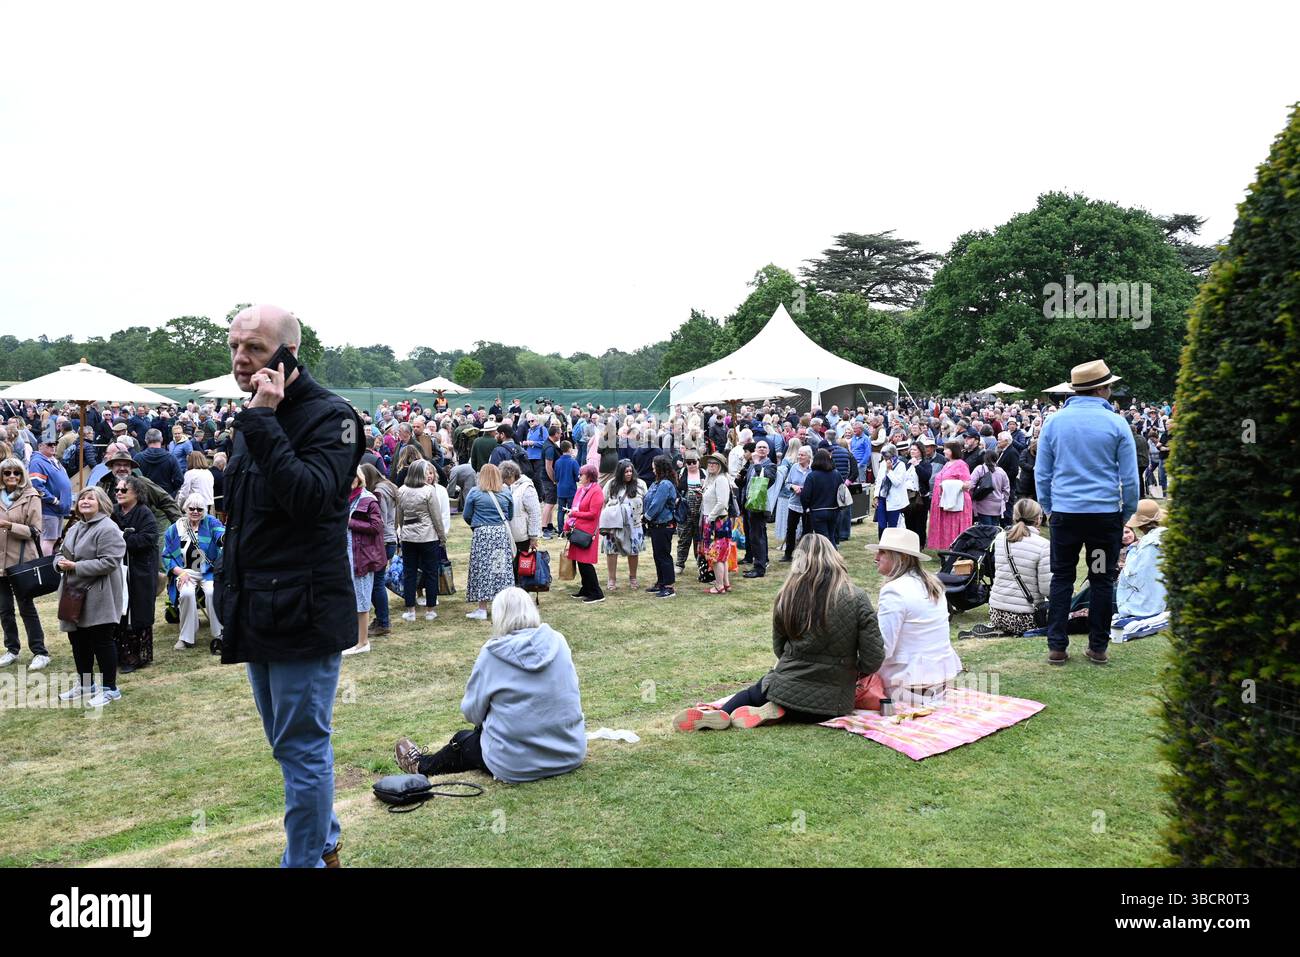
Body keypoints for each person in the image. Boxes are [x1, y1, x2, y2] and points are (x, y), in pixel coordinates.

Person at [220, 304, 364, 868]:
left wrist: (263, 421)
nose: (240, 359)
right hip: (256, 606)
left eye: (253, 348)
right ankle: (324, 842)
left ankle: (301, 862)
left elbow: (309, 499)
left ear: (288, 353)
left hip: (304, 611)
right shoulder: (252, 413)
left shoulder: (334, 417)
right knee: (286, 744)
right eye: (234, 346)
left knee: (304, 747)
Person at [672, 534, 884, 730]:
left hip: (784, 689)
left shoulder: (787, 595)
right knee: (778, 694)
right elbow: (873, 658)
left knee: (753, 692)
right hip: (832, 703)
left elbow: (779, 648)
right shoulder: (856, 597)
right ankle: (778, 712)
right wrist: (851, 668)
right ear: (834, 557)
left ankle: (725, 712)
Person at [394, 588, 586, 781]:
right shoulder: (558, 641)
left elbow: (472, 713)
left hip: (516, 764)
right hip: (569, 751)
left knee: (463, 740)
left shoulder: (493, 653)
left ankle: (421, 765)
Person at [1037, 359, 1140, 666]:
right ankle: (1098, 646)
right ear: (1102, 389)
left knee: (1062, 578)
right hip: (1103, 515)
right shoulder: (1117, 423)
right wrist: (1126, 512)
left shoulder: (1054, 422)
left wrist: (1049, 509)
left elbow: (1043, 474)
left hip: (1066, 514)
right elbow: (1130, 478)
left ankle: (1057, 646)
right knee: (1100, 579)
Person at [867, 527, 963, 707]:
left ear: (901, 558)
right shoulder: (931, 584)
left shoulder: (894, 591)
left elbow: (882, 649)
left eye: (883, 552)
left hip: (907, 687)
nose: (876, 557)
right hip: (938, 682)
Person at [54, 487, 127, 708]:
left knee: (101, 640)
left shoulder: (108, 528)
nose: (85, 501)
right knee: (78, 640)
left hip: (99, 593)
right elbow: (60, 553)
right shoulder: (75, 527)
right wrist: (58, 563)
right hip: (73, 594)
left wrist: (76, 566)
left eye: (91, 498)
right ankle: (86, 684)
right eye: (82, 498)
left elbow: (110, 561)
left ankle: (110, 689)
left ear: (102, 503)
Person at [962, 498, 1052, 639]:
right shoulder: (1044, 545)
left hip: (996, 613)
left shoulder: (1000, 538)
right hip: (1026, 617)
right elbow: (1046, 589)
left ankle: (1000, 628)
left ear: (1015, 516)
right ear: (1038, 519)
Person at [0, 458, 49, 670]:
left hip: (20, 562)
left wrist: (10, 525)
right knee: (4, 609)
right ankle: (12, 649)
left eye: (16, 473)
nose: (12, 476)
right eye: (7, 473)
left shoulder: (31, 496)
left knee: (26, 607)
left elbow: (35, 530)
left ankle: (40, 651)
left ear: (22, 475)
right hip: (0, 562)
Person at [163, 492, 225, 652]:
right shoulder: (174, 529)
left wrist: (226, 537)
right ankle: (186, 638)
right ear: (185, 508)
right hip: (185, 571)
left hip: (208, 571)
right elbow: (167, 556)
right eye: (192, 508)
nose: (195, 511)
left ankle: (220, 635)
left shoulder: (211, 522)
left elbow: (221, 535)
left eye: (199, 509)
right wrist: (181, 573)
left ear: (204, 510)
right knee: (187, 593)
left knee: (212, 592)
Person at [111, 476, 159, 672]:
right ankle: (118, 654)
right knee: (119, 610)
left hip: (140, 571)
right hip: (118, 569)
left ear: (137, 494)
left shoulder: (145, 514)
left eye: (124, 490)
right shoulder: (114, 513)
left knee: (137, 611)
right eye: (117, 490)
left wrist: (123, 537)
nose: (119, 493)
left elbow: (148, 539)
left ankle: (135, 656)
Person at [395, 460, 448, 623]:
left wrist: (401, 532)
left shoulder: (402, 490)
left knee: (410, 572)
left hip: (408, 536)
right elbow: (436, 516)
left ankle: (410, 610)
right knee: (431, 571)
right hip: (428, 536)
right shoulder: (429, 491)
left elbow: (400, 516)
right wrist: (442, 536)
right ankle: (430, 610)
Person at [340, 467, 385, 657]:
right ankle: (354, 640)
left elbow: (376, 526)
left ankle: (363, 641)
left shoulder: (368, 500)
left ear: (359, 480)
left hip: (363, 556)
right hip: (346, 555)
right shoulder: (344, 500)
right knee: (350, 600)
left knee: (362, 600)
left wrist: (350, 522)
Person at [461, 464, 515, 621]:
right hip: (499, 534)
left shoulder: (475, 492)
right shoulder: (506, 492)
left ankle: (482, 608)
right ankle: (503, 607)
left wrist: (477, 523)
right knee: (499, 570)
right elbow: (510, 514)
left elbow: (466, 514)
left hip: (482, 533)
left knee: (482, 570)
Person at [1112, 499, 1168, 624]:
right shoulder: (1162, 536)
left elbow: (1138, 577)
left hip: (1147, 599)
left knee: (1094, 593)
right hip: (1162, 592)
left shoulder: (1147, 545)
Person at [361, 464, 399, 637]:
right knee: (377, 582)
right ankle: (381, 619)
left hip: (383, 541)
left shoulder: (379, 492)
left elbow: (379, 521)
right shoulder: (389, 487)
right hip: (390, 538)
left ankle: (383, 621)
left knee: (376, 583)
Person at [602, 459, 646, 591]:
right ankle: (612, 579)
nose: (628, 474)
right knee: (611, 551)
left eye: (630, 471)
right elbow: (604, 501)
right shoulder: (611, 484)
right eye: (626, 471)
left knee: (634, 551)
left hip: (634, 523)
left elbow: (646, 499)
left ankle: (633, 577)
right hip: (614, 523)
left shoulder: (640, 485)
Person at [563, 464, 605, 603]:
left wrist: (575, 514)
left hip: (587, 532)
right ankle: (586, 588)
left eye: (582, 474)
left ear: (589, 476)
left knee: (586, 563)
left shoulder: (596, 491)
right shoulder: (582, 490)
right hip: (578, 529)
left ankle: (596, 592)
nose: (579, 476)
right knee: (580, 562)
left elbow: (593, 514)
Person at [28, 435, 72, 557]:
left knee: (53, 539)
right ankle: (46, 568)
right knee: (48, 539)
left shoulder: (52, 460)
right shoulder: (37, 462)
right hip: (49, 509)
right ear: (40, 446)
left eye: (54, 444)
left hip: (57, 508)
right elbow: (37, 486)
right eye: (49, 444)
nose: (53, 447)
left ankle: (49, 566)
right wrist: (54, 500)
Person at [739, 440, 778, 579]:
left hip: (760, 507)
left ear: (768, 451)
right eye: (759, 447)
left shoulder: (771, 466)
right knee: (753, 536)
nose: (761, 449)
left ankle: (760, 567)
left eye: (764, 447)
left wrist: (756, 463)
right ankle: (757, 562)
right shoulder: (751, 464)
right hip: (749, 505)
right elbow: (744, 483)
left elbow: (767, 479)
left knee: (758, 536)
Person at [643, 454, 679, 598]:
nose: (652, 468)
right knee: (657, 555)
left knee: (663, 555)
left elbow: (657, 504)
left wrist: (646, 517)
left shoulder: (665, 484)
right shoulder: (657, 483)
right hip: (656, 525)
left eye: (654, 465)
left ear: (659, 467)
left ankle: (669, 586)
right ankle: (661, 582)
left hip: (664, 524)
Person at [928, 440, 974, 551]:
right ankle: (947, 547)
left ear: (953, 450)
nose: (943, 451)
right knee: (946, 525)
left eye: (946, 449)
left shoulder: (961, 464)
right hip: (944, 501)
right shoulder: (947, 463)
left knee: (954, 525)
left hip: (956, 502)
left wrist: (948, 485)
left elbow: (968, 484)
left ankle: (957, 548)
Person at [699, 452, 734, 595]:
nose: (711, 465)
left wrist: (710, 518)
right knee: (721, 555)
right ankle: (725, 584)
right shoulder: (713, 479)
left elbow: (722, 503)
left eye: (715, 463)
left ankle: (719, 586)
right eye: (709, 463)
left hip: (717, 520)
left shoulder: (720, 480)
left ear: (721, 466)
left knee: (716, 555)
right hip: (716, 519)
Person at [799, 448, 841, 544]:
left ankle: (830, 558)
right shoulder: (836, 474)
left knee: (824, 540)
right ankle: (834, 557)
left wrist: (806, 508)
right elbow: (842, 491)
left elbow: (805, 495)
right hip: (834, 510)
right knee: (831, 537)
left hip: (818, 511)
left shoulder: (812, 476)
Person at [500, 460, 541, 558]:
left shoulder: (527, 488)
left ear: (512, 475)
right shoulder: (506, 487)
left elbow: (534, 513)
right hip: (508, 535)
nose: (504, 481)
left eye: (506, 478)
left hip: (522, 537)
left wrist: (533, 536)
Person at [674, 450, 705, 573]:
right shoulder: (680, 474)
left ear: (698, 462)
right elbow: (675, 489)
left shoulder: (704, 474)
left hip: (700, 512)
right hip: (685, 512)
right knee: (683, 539)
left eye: (694, 462)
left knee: (700, 539)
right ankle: (680, 564)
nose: (691, 465)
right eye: (688, 462)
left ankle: (700, 563)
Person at [781, 444, 814, 561]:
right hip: (794, 503)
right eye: (799, 454)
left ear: (809, 457)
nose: (799, 457)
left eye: (802, 455)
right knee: (791, 529)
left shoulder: (813, 469)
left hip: (808, 505)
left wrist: (805, 490)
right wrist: (793, 487)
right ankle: (788, 553)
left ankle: (805, 555)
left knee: (807, 531)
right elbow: (787, 483)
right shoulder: (794, 467)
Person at [873, 442, 909, 538]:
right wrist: (876, 496)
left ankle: (892, 546)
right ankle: (882, 545)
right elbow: (879, 481)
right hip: (882, 498)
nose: (885, 459)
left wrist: (889, 471)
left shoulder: (901, 465)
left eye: (887, 457)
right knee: (882, 525)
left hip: (894, 500)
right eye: (884, 457)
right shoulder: (882, 464)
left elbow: (897, 482)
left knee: (893, 525)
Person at [134, 429, 183, 496]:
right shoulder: (171, 458)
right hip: (166, 495)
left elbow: (132, 478)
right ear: (161, 439)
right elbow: (179, 479)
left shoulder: (138, 458)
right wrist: (170, 490)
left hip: (144, 496)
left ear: (146, 440)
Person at [970, 449, 1011, 527]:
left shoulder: (980, 469)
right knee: (995, 528)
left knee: (985, 529)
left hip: (982, 504)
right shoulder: (1001, 471)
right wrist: (1003, 501)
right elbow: (1006, 489)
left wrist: (973, 497)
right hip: (997, 505)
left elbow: (971, 485)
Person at [903, 442, 931, 549]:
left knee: (920, 522)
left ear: (920, 451)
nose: (912, 451)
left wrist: (917, 465)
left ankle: (920, 543)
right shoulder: (907, 464)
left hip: (921, 497)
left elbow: (925, 477)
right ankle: (910, 542)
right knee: (908, 520)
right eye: (911, 449)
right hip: (908, 496)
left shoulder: (925, 463)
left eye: (915, 450)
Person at [554, 439, 579, 532]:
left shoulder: (557, 462)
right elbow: (577, 477)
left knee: (560, 511)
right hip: (571, 489)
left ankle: (560, 530)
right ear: (569, 449)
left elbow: (556, 477)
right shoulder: (573, 462)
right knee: (571, 510)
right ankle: (570, 528)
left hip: (560, 489)